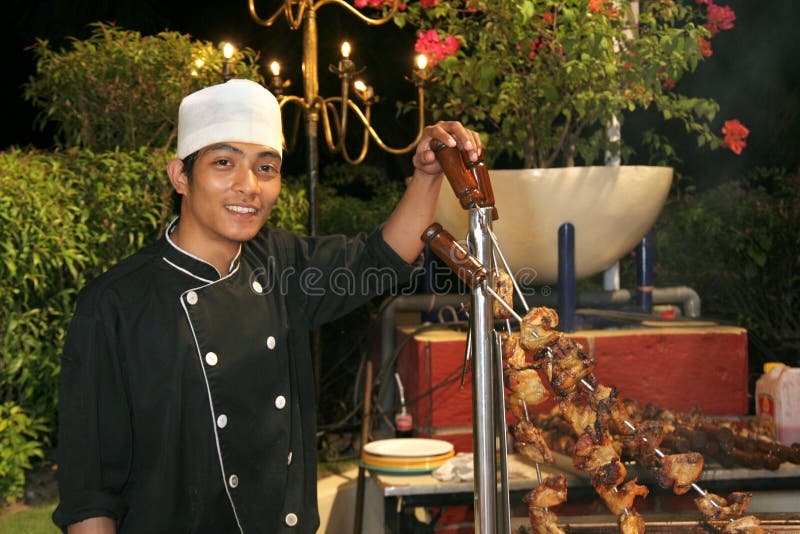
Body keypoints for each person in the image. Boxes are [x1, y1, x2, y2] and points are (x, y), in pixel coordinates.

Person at [52, 78, 481, 533]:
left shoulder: (281, 265)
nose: (248, 186)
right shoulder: (115, 304)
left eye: (266, 168)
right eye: (224, 163)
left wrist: (429, 173)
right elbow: (90, 490)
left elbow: (381, 260)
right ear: (180, 176)